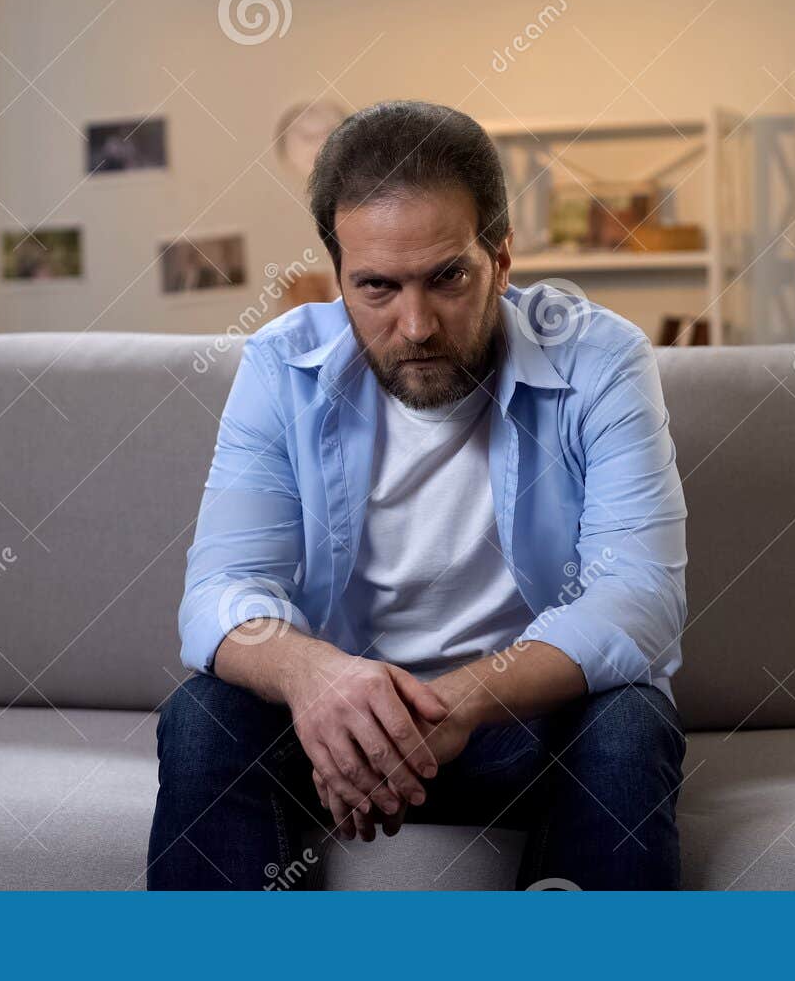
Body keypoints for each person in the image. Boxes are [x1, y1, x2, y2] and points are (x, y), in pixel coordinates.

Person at [148, 99, 689, 890]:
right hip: (341, 730)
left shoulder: (601, 358)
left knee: (630, 722)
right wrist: (316, 679)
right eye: (376, 287)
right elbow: (220, 591)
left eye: (447, 278)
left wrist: (460, 704)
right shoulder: (279, 366)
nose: (415, 325)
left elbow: (638, 598)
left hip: (524, 727)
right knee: (203, 717)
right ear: (338, 277)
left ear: (502, 260)